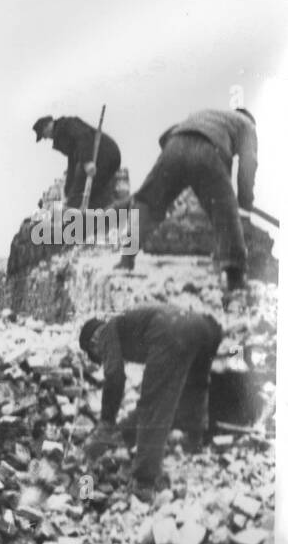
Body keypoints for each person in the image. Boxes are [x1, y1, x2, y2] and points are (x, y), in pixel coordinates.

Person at [79, 306, 223, 497]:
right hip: (203, 327)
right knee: (193, 385)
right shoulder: (128, 325)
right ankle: (194, 441)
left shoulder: (105, 331)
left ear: (94, 340)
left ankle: (144, 483)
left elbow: (114, 376)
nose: (100, 357)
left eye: (95, 353)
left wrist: (106, 422)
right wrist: (122, 435)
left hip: (170, 330)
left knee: (154, 404)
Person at [115, 108, 257, 291]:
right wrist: (245, 203)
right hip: (208, 151)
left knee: (147, 202)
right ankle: (235, 279)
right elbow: (249, 164)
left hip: (174, 145)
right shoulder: (247, 125)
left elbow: (166, 136)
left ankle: (126, 259)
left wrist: (178, 170)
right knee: (225, 212)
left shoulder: (208, 115)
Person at [33, 114, 122, 210]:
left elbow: (83, 136)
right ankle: (98, 213)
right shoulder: (62, 136)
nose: (45, 138)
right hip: (104, 158)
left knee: (78, 192)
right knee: (87, 192)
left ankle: (74, 217)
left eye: (43, 134)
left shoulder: (68, 124)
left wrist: (88, 162)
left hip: (105, 154)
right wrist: (68, 190)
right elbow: (72, 161)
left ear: (48, 125)